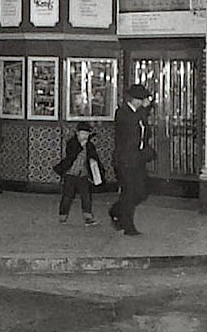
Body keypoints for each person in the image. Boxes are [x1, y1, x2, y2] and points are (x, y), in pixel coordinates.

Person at [109, 83, 153, 236]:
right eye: (142, 99)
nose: (144, 102)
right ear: (136, 99)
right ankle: (128, 226)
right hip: (125, 160)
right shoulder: (122, 113)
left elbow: (144, 131)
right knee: (129, 192)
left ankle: (115, 210)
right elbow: (131, 125)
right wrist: (144, 109)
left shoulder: (138, 113)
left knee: (140, 192)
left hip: (137, 158)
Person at [53, 122, 106, 225]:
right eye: (82, 134)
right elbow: (71, 155)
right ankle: (63, 215)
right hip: (71, 174)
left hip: (83, 174)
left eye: (86, 134)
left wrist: (96, 168)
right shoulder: (72, 143)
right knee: (67, 196)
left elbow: (94, 157)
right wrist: (80, 146)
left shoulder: (90, 146)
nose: (84, 136)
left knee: (86, 196)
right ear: (77, 133)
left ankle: (88, 217)